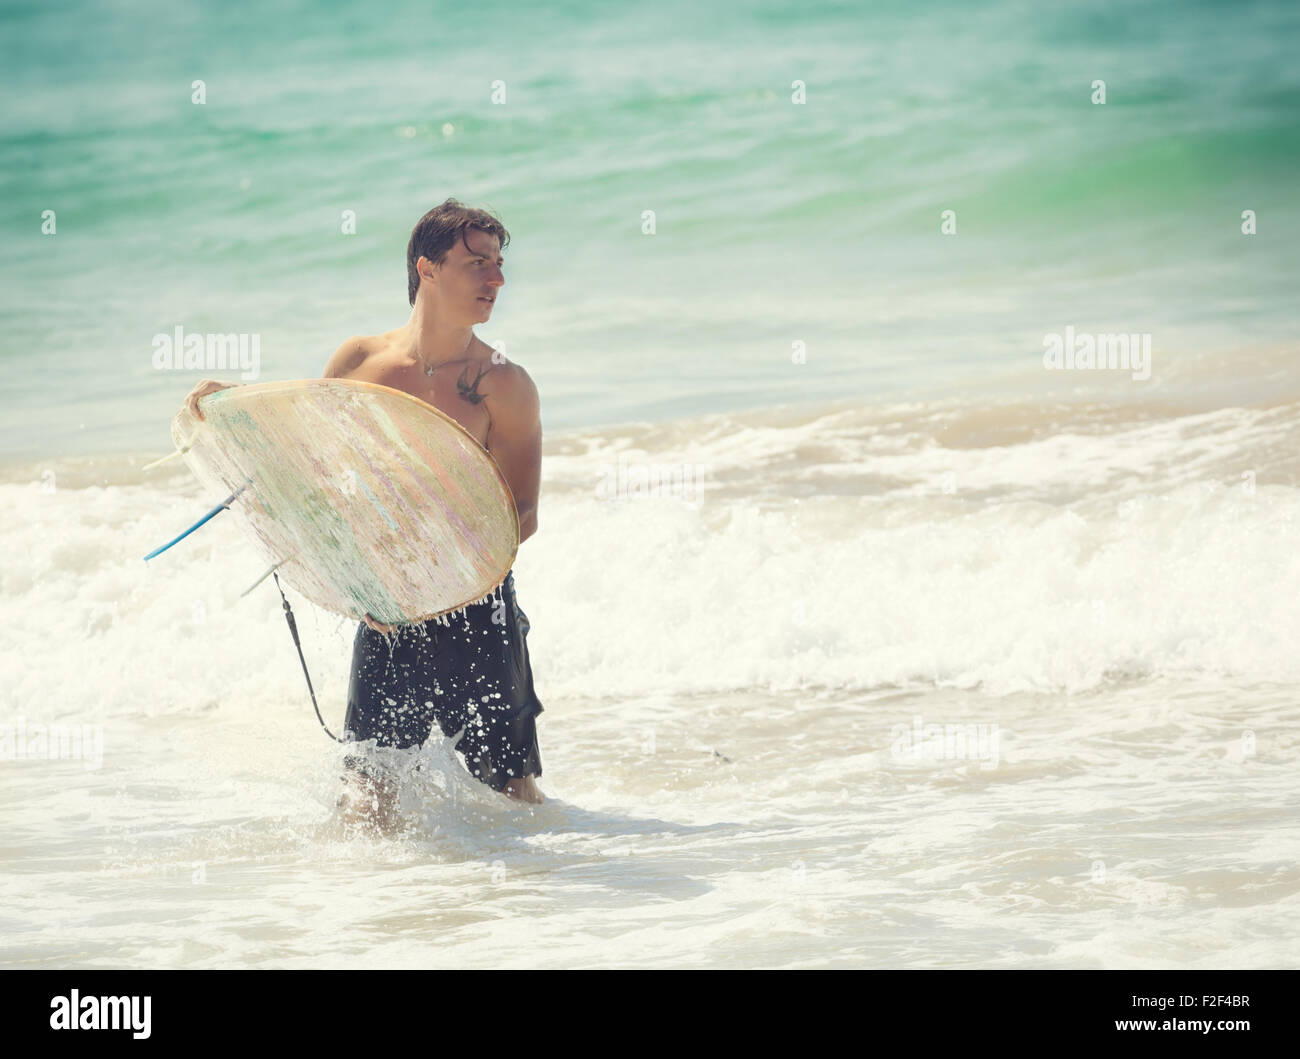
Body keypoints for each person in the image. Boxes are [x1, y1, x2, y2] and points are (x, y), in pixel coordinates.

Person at [184, 199, 546, 829]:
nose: (497, 279)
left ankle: (530, 887)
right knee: (367, 797)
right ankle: (372, 893)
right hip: (389, 608)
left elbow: (522, 513)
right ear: (427, 268)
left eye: (498, 263)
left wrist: (437, 561)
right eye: (477, 263)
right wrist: (235, 411)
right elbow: (310, 470)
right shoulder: (359, 363)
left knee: (512, 794)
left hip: (478, 607)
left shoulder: (504, 384)